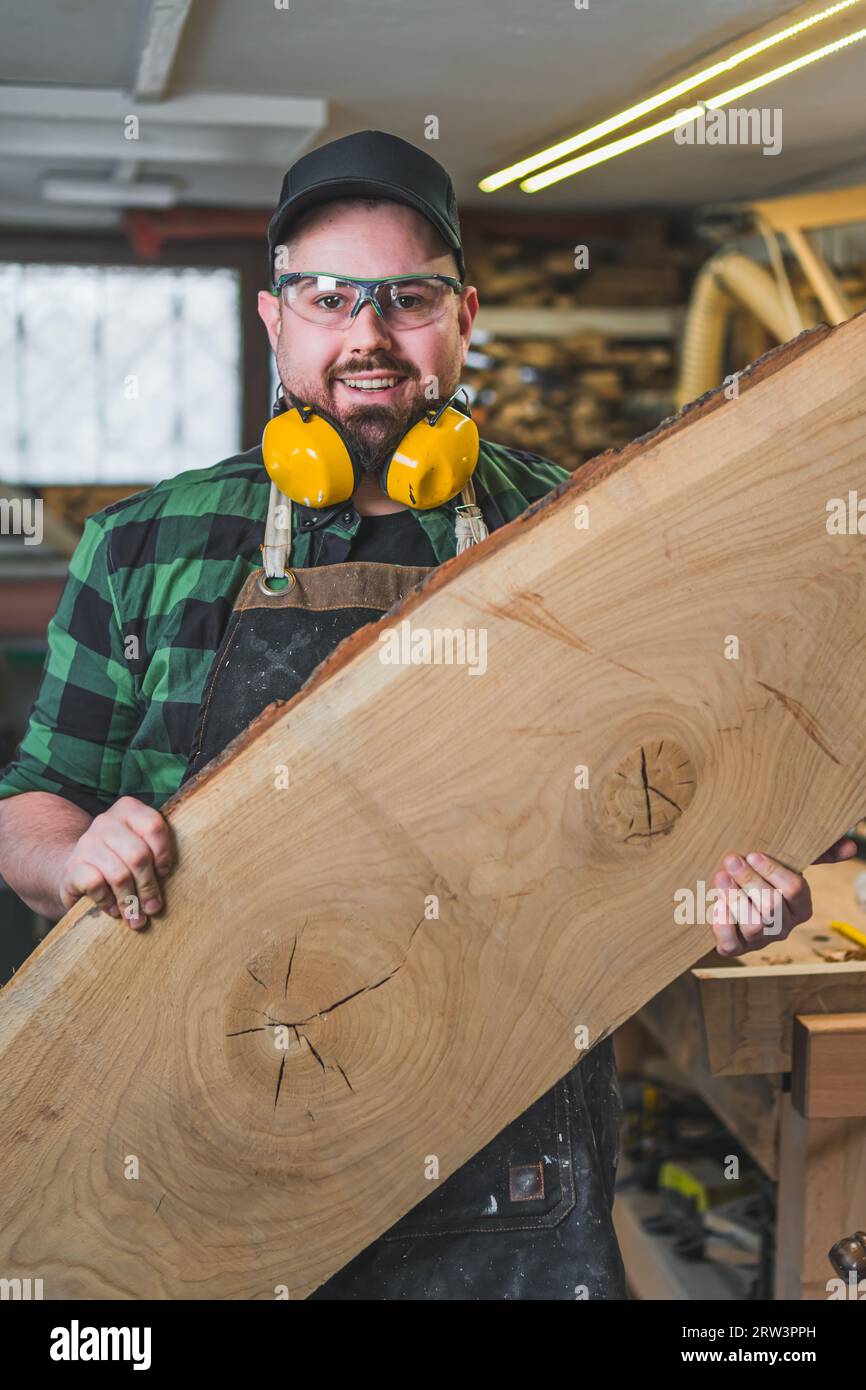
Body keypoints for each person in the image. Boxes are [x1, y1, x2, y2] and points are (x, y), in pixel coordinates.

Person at [0, 130, 856, 1300]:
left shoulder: (576, 527)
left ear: (463, 318)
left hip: (514, 1158)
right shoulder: (145, 544)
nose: (366, 335)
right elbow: (32, 804)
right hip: (215, 1139)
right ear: (273, 319)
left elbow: (654, 797)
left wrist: (716, 896)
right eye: (327, 298)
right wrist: (72, 855)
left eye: (406, 300)